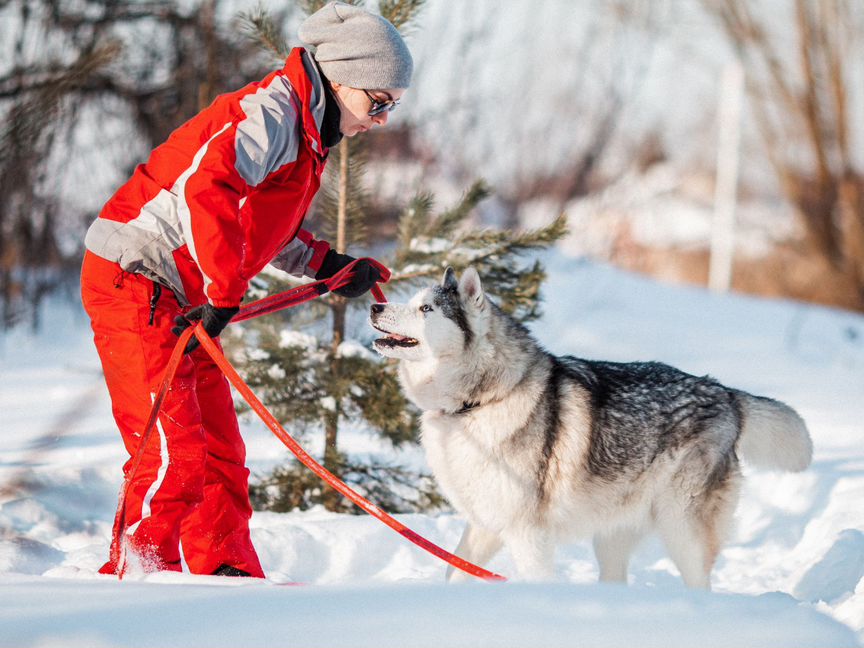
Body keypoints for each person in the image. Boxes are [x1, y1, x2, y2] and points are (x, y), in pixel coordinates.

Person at [80, 1, 412, 577]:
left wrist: (326, 263)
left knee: (219, 453)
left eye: (392, 107)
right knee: (172, 453)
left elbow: (256, 225)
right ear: (341, 80)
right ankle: (139, 578)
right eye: (378, 102)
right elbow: (208, 189)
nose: (381, 119)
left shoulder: (305, 131)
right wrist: (224, 291)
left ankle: (225, 577)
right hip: (134, 277)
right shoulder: (272, 115)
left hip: (184, 296)